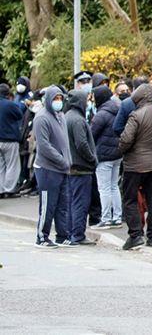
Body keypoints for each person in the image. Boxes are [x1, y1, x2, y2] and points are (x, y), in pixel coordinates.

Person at [118, 84, 152, 250]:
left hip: (135, 164)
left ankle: (135, 235)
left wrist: (121, 149)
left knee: (129, 199)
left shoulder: (136, 115)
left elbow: (126, 139)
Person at [32, 86, 72, 248]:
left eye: (60, 99)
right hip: (47, 169)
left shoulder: (60, 116)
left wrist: (67, 161)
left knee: (62, 205)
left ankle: (62, 236)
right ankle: (42, 236)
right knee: (48, 205)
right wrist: (62, 161)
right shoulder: (42, 118)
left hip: (62, 168)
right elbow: (44, 146)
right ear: (48, 99)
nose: (58, 102)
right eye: (55, 99)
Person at [64, 89, 98, 245]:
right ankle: (77, 234)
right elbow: (81, 144)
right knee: (80, 203)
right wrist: (92, 158)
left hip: (70, 167)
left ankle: (71, 233)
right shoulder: (78, 120)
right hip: (81, 167)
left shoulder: (66, 117)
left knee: (71, 202)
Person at [90, 86, 123, 229]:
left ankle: (105, 219)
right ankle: (117, 217)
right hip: (117, 154)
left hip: (103, 155)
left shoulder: (101, 114)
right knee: (114, 186)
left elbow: (91, 135)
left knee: (104, 188)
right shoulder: (118, 110)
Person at [0, 84, 25, 198]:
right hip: (10, 139)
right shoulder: (10, 105)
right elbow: (20, 115)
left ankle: (0, 190)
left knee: (0, 166)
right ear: (8, 93)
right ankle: (9, 190)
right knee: (12, 165)